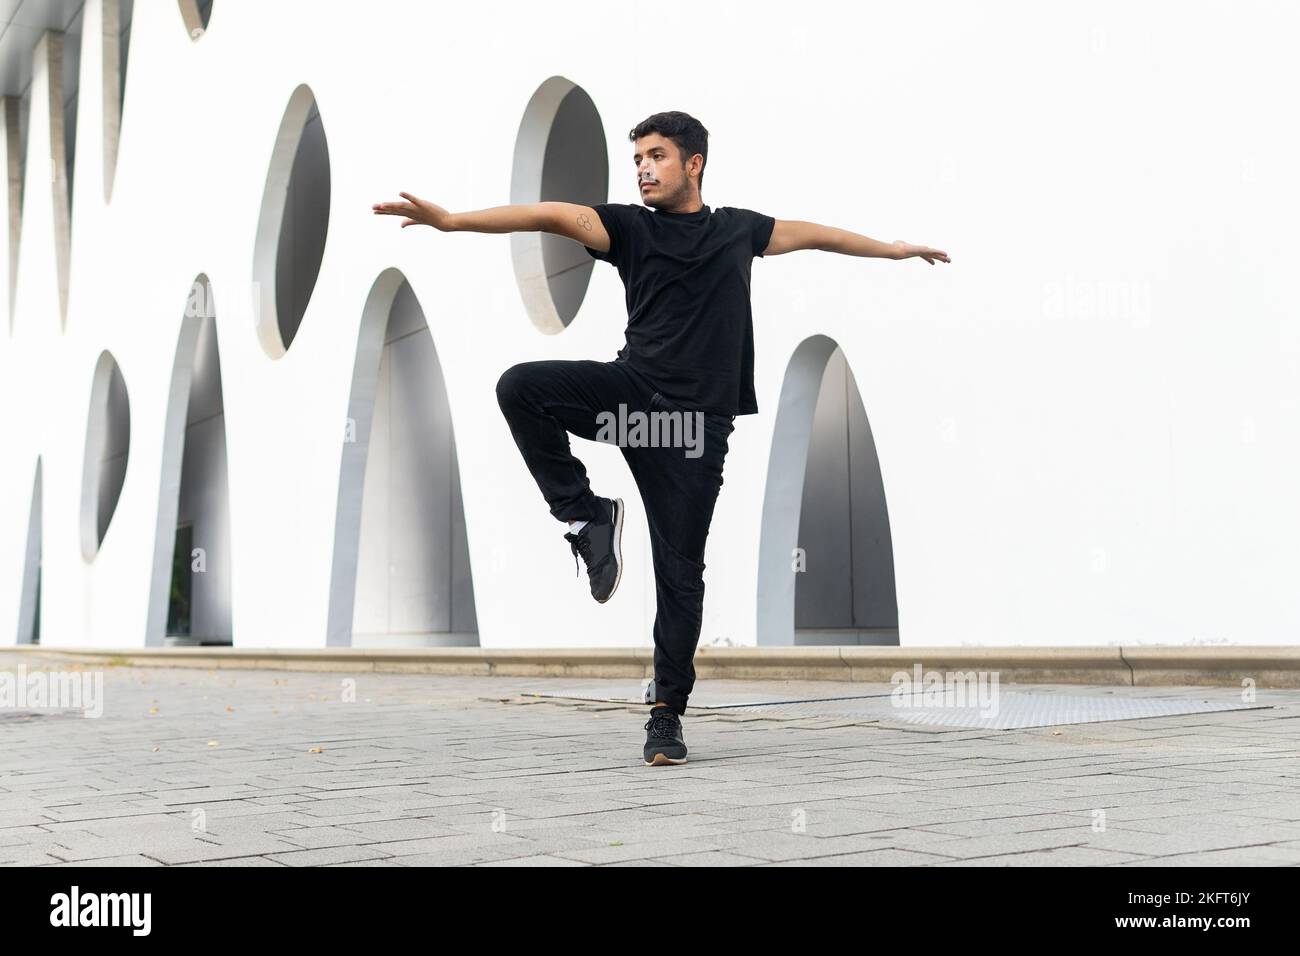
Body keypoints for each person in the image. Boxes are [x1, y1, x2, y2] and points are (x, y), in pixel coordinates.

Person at [373, 111, 950, 766]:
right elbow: (549, 215)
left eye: (656, 156)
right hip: (634, 404)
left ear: (693, 163)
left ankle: (665, 713)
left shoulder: (739, 230)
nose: (643, 168)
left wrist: (892, 249)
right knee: (520, 388)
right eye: (638, 158)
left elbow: (816, 235)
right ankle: (587, 514)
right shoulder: (628, 227)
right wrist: (453, 221)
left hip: (695, 430)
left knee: (681, 575)